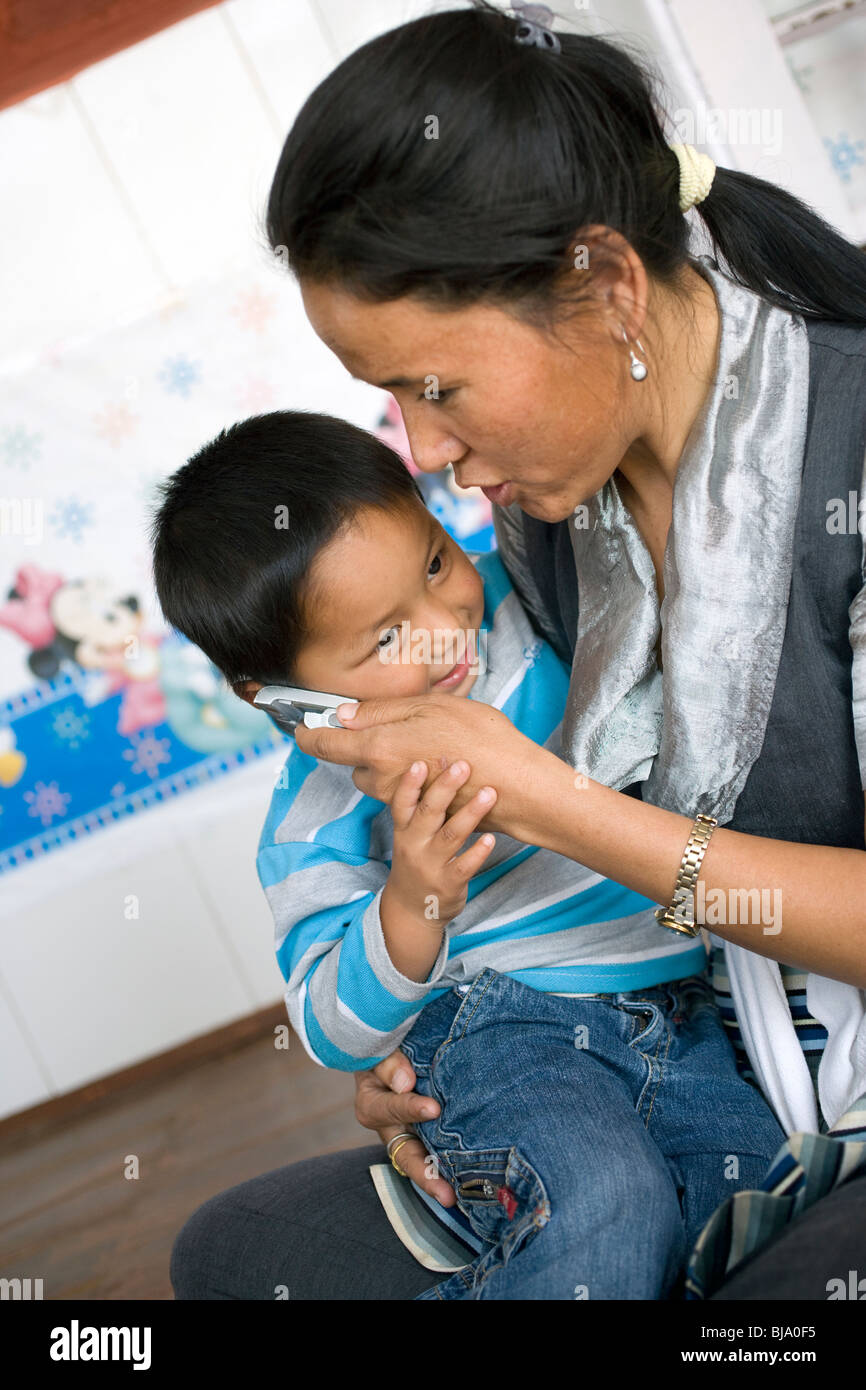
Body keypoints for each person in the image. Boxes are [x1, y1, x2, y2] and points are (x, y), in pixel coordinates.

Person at [168, 3, 866, 1300]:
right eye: (387, 396)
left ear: (602, 284)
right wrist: (420, 1023)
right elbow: (375, 964)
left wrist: (552, 802)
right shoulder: (544, 519)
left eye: (434, 387)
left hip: (804, 1064)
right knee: (233, 1249)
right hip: (702, 1047)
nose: (419, 453)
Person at [150, 409, 787, 1299]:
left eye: (436, 562)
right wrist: (414, 899)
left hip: (685, 1022)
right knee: (605, 1208)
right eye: (383, 640)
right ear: (283, 698)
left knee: (757, 1220)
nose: (444, 630)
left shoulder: (532, 603)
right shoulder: (323, 808)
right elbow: (335, 1031)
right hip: (509, 1037)